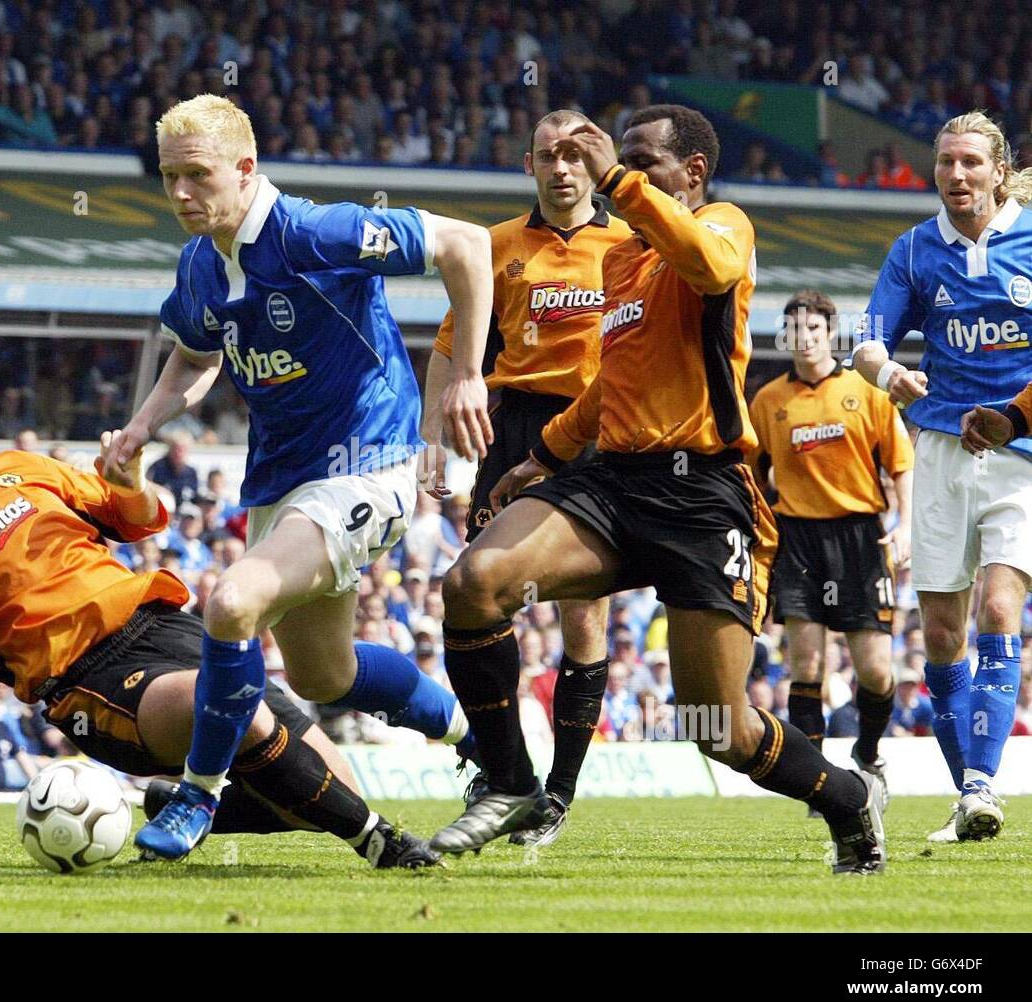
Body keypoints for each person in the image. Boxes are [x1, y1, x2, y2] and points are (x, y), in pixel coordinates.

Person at [426, 106, 888, 874]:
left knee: (717, 728)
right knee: (474, 582)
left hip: (704, 496)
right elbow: (614, 384)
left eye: (641, 162)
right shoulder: (622, 263)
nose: (622, 178)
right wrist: (540, 455)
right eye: (623, 165)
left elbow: (711, 267)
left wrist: (614, 175)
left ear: (692, 174)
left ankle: (845, 798)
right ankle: (509, 782)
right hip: (612, 484)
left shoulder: (726, 225)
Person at [0, 358, 435, 870]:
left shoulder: (21, 467)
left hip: (169, 626)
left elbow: (138, 521)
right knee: (236, 711)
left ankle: (166, 805)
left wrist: (133, 479)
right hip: (89, 679)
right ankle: (379, 842)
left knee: (321, 790)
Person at [107, 93, 494, 861]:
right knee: (325, 676)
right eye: (168, 178)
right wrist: (146, 423)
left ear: (246, 170)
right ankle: (477, 735)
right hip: (281, 483)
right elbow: (195, 352)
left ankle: (197, 794)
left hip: (369, 468)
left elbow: (469, 246)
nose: (181, 194)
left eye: (198, 175)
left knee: (233, 601)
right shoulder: (199, 265)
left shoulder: (317, 233)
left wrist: (469, 376)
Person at [422, 108, 632, 846]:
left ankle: (558, 793)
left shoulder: (631, 241)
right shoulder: (495, 247)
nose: (563, 168)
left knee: (582, 614)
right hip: (511, 432)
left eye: (576, 155)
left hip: (599, 432)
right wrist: (431, 444)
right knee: (481, 599)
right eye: (549, 155)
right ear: (530, 165)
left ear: (593, 163)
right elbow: (451, 349)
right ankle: (503, 771)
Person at [851, 110, 1032, 843]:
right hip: (938, 452)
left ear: (997, 170)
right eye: (946, 163)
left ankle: (984, 783)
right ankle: (971, 796)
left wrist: (1014, 418)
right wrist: (890, 371)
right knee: (943, 634)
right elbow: (868, 338)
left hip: (1019, 454)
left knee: (996, 607)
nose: (956, 175)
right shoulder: (916, 249)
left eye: (970, 163)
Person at [748, 289, 914, 816]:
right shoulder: (769, 400)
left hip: (860, 537)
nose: (804, 339)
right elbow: (752, 472)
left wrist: (905, 524)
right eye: (794, 330)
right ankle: (817, 782)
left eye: (814, 330)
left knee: (875, 671)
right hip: (798, 539)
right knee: (807, 664)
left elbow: (900, 464)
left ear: (830, 334)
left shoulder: (865, 394)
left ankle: (867, 753)